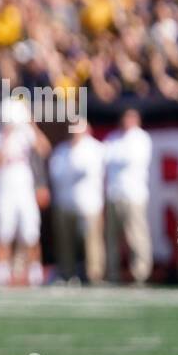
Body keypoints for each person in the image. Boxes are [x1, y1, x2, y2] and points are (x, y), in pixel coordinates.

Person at [0, 98, 50, 285]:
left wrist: (31, 124)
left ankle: (35, 271)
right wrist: (6, 135)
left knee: (30, 229)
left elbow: (44, 149)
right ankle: (2, 271)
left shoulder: (25, 133)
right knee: (3, 229)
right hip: (3, 183)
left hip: (24, 183)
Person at [47, 122, 105, 283]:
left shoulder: (95, 149)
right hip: (64, 204)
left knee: (92, 243)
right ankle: (67, 274)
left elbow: (87, 172)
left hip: (89, 205)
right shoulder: (61, 150)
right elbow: (56, 176)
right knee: (65, 244)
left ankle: (94, 275)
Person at [103, 109, 154, 284]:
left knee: (136, 235)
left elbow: (129, 160)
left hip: (134, 195)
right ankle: (112, 273)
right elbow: (104, 159)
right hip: (113, 194)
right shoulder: (112, 137)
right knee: (111, 238)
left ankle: (140, 272)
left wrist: (114, 157)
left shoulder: (141, 138)